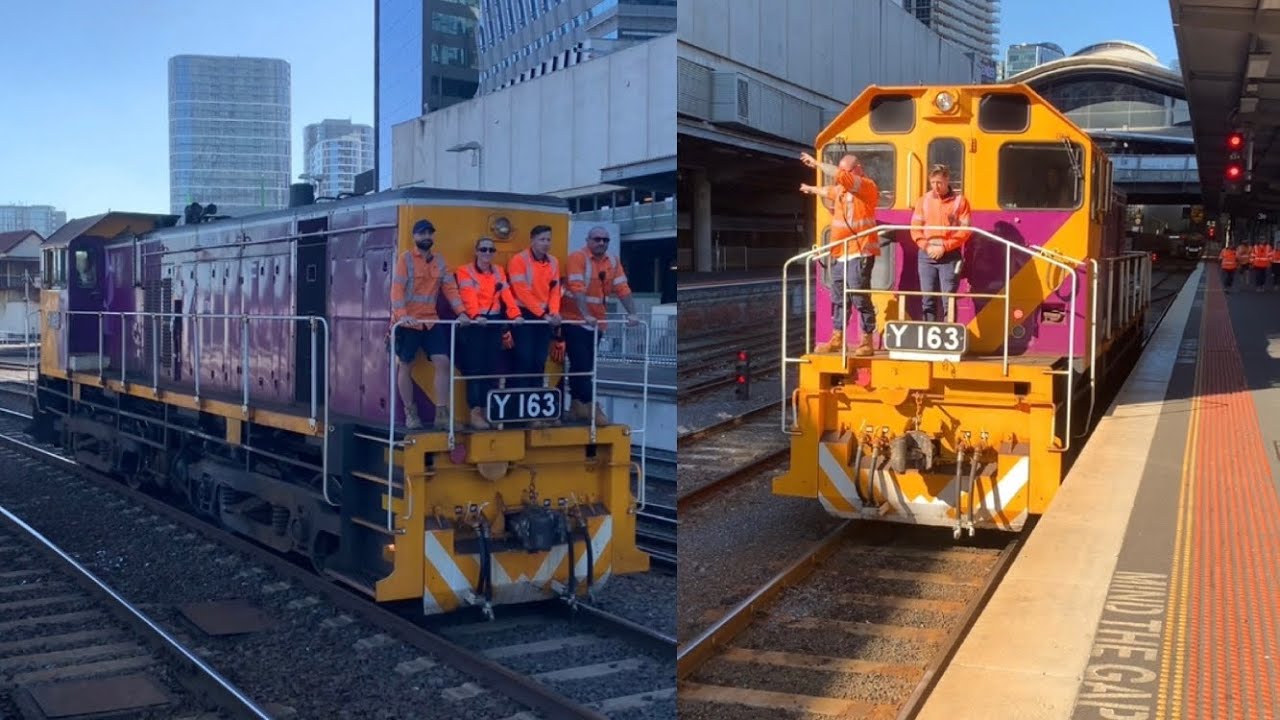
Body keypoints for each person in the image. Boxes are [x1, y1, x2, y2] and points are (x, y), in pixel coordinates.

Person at [799, 151, 880, 356]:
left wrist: (817, 164)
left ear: (858, 169)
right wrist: (810, 189)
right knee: (838, 296)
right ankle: (837, 338)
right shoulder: (843, 191)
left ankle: (867, 340)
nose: (843, 175)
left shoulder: (866, 186)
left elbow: (837, 178)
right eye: (842, 171)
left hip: (860, 251)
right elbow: (829, 191)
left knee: (859, 296)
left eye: (847, 171)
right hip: (840, 253)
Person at [390, 219, 468, 430]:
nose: (426, 237)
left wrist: (461, 312)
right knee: (406, 366)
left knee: (442, 362)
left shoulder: (440, 261)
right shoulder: (405, 260)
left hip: (430, 321)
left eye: (430, 234)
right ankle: (410, 413)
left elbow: (450, 289)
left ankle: (441, 414)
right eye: (422, 234)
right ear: (415, 237)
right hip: (407, 323)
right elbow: (397, 291)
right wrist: (403, 315)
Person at [561, 226, 639, 424]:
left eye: (605, 240)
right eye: (597, 239)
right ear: (588, 240)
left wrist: (633, 313)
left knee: (586, 365)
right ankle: (588, 404)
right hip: (574, 320)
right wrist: (585, 315)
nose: (601, 243)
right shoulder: (577, 258)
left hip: (597, 324)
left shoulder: (612, 261)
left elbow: (622, 288)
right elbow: (577, 289)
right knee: (582, 365)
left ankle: (577, 405)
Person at [455, 237, 522, 430]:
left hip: (493, 323)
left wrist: (515, 314)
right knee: (475, 369)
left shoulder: (499, 271)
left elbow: (507, 295)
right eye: (483, 250)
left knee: (491, 367)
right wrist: (475, 316)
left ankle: (488, 410)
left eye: (491, 250)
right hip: (475, 325)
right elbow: (468, 295)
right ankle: (475, 412)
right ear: (476, 251)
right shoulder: (464, 271)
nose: (487, 254)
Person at [507, 225, 562, 422]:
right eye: (542, 239)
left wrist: (554, 313)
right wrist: (543, 314)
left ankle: (535, 409)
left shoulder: (554, 262)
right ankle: (521, 410)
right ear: (532, 241)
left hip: (544, 317)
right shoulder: (519, 260)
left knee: (539, 361)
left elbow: (555, 289)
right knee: (524, 359)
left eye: (548, 239)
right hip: (524, 316)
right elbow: (521, 290)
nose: (546, 243)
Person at [910, 164, 972, 323]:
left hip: (950, 256)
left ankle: (948, 333)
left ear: (947, 180)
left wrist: (945, 246)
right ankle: (929, 333)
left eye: (939, 182)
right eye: (932, 182)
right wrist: (927, 246)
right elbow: (915, 229)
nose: (936, 186)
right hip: (926, 255)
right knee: (927, 297)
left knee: (948, 298)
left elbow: (965, 230)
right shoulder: (923, 201)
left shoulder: (960, 202)